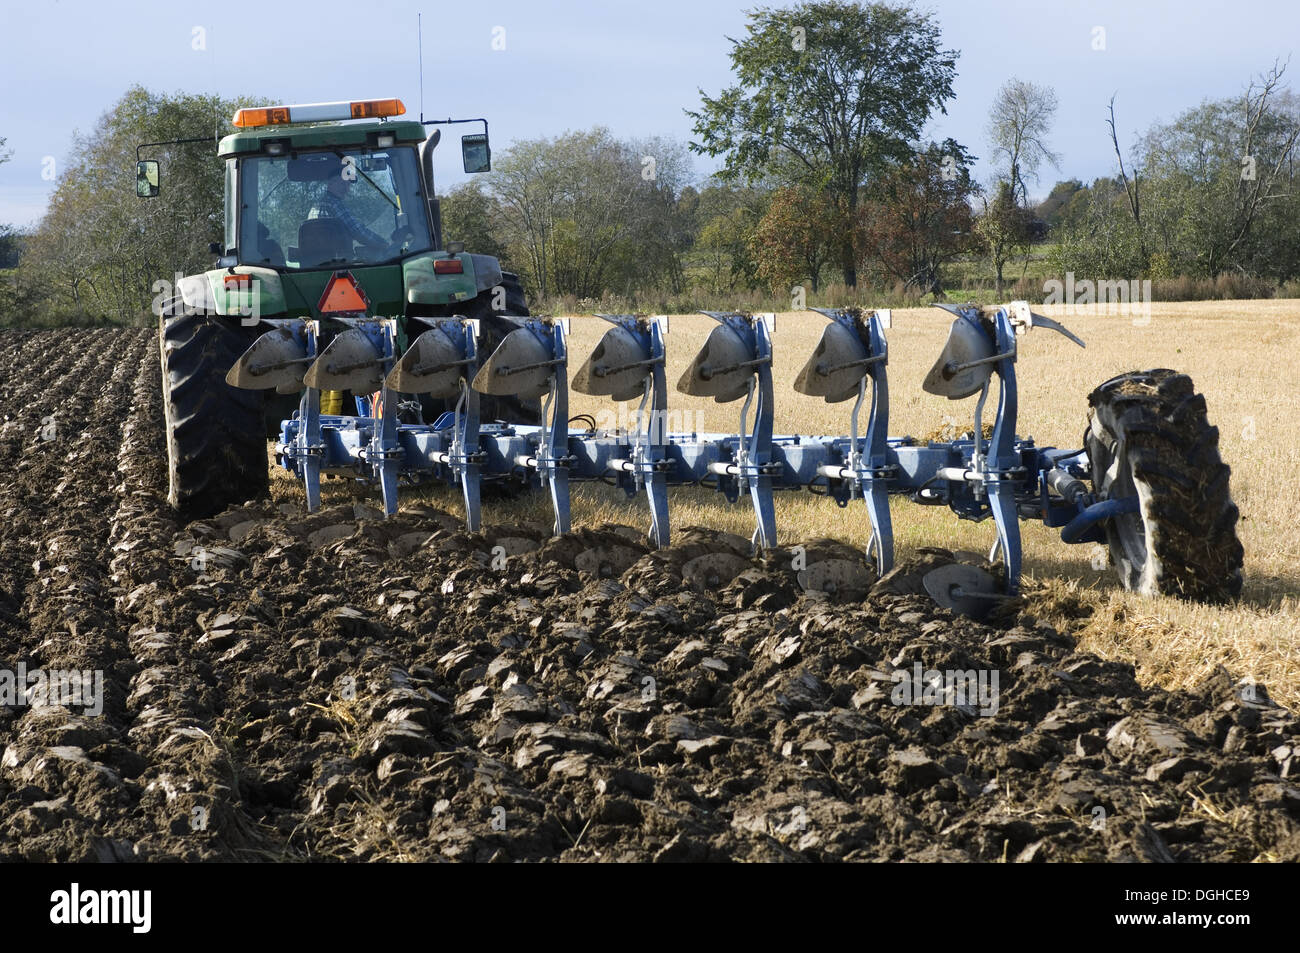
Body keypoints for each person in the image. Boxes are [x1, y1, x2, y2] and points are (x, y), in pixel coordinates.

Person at [311, 174, 388, 250]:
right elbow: (358, 232)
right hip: (337, 258)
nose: (346, 189)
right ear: (331, 183)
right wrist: (383, 243)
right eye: (342, 184)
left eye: (348, 185)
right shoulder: (334, 203)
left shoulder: (315, 206)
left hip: (315, 258)